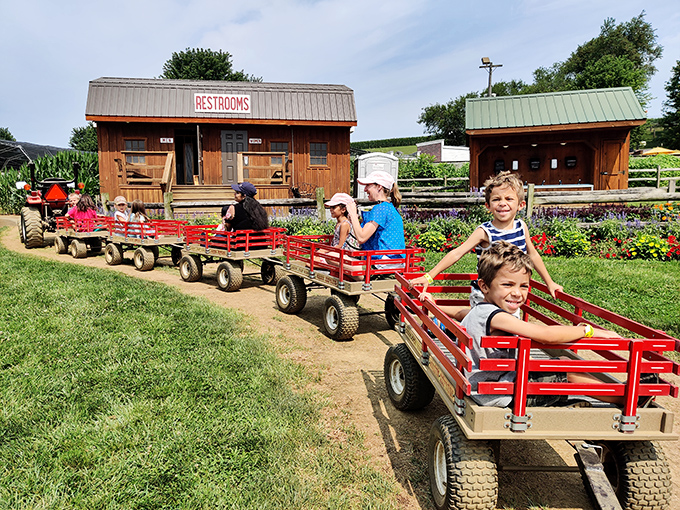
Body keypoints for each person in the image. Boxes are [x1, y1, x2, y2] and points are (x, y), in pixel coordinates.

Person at [460, 241, 622, 408]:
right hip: (501, 393)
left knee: (558, 364)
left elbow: (460, 313)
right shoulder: (496, 316)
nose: (517, 293)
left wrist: (436, 305)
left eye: (524, 286)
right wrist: (587, 330)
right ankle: (624, 398)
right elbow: (546, 335)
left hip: (492, 385)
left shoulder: (480, 310)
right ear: (484, 286)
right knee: (566, 368)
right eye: (507, 285)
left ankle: (564, 404)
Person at [409, 171, 562, 318]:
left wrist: (549, 283)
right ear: (488, 206)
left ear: (521, 205)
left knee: (508, 331)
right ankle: (444, 320)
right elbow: (458, 252)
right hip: (486, 293)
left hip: (512, 294)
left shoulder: (522, 227)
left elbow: (533, 254)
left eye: (509, 199)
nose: (502, 203)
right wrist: (429, 277)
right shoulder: (485, 231)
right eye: (496, 199)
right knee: (483, 327)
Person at [345, 170, 405, 258]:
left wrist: (353, 213)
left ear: (379, 187)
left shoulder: (381, 208)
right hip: (393, 260)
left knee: (332, 256)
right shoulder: (388, 207)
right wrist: (354, 220)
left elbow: (361, 238)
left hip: (383, 262)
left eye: (368, 185)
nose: (365, 189)